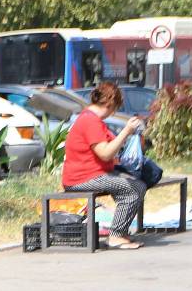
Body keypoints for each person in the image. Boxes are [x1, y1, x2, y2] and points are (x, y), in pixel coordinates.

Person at [61, 81, 147, 250]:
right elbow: (105, 153)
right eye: (115, 107)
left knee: (137, 183)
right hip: (81, 179)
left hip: (94, 174)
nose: (114, 112)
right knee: (133, 188)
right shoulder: (90, 121)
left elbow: (110, 151)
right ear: (110, 103)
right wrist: (126, 131)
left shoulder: (92, 119)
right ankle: (115, 236)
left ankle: (120, 230)